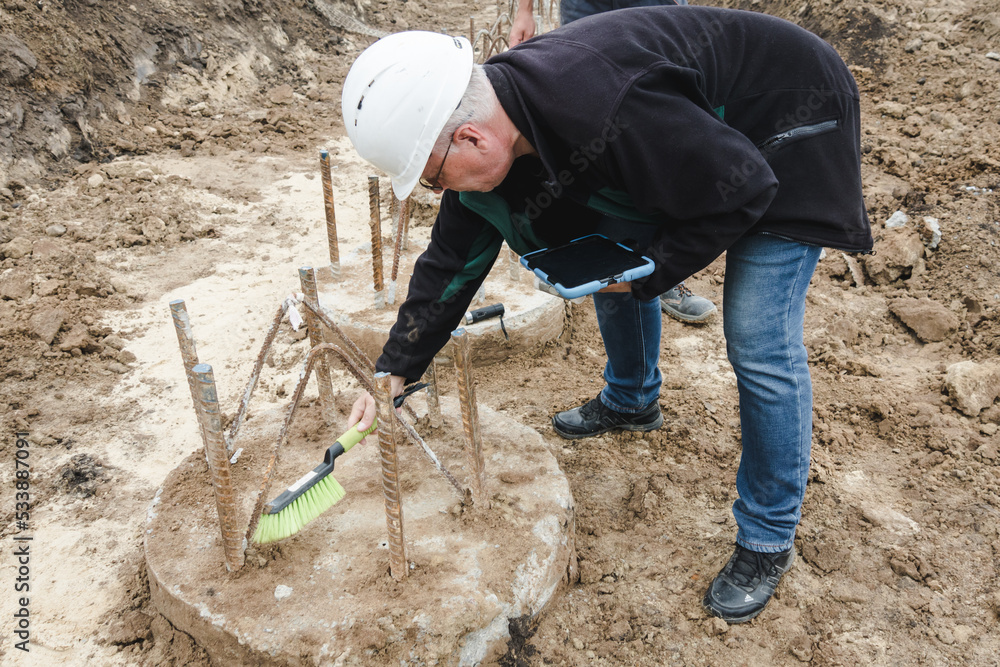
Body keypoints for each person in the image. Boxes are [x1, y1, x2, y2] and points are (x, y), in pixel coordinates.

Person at [342, 7, 872, 624]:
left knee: (757, 337)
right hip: (694, 139)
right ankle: (631, 399)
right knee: (598, 256)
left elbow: (747, 184)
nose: (441, 195)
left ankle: (767, 538)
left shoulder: (608, 106)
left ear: (470, 138)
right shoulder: (510, 120)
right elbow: (448, 266)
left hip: (787, 120)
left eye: (433, 179)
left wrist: (656, 266)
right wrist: (394, 370)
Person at [511, 0, 715, 325]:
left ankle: (661, 272)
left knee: (659, 124)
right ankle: (586, 261)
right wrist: (525, 10)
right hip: (588, 4)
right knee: (590, 124)